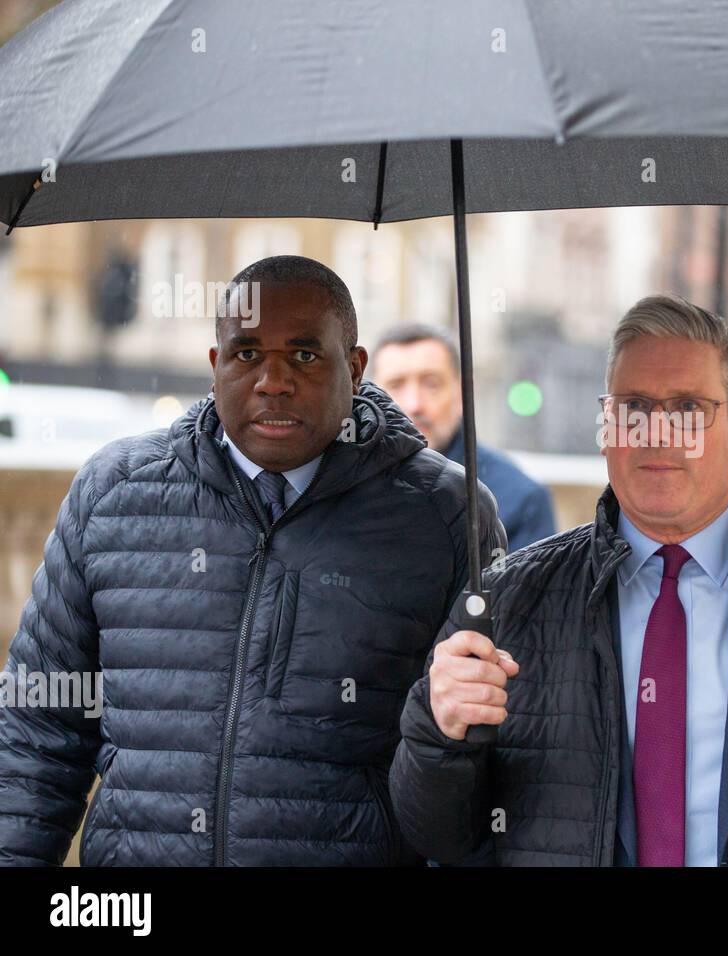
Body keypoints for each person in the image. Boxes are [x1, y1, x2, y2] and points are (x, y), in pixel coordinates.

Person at [389, 293, 728, 866]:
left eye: (687, 408)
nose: (658, 433)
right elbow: (435, 836)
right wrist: (441, 736)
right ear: (606, 426)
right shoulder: (508, 599)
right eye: (635, 407)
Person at [0, 255, 502, 866]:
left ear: (357, 367)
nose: (273, 380)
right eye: (246, 354)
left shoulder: (445, 513)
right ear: (215, 368)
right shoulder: (114, 492)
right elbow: (37, 732)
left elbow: (483, 773)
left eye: (304, 355)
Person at [370, 324, 556, 551]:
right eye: (396, 385)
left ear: (461, 393)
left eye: (432, 384)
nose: (414, 404)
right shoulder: (343, 487)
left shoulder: (521, 500)